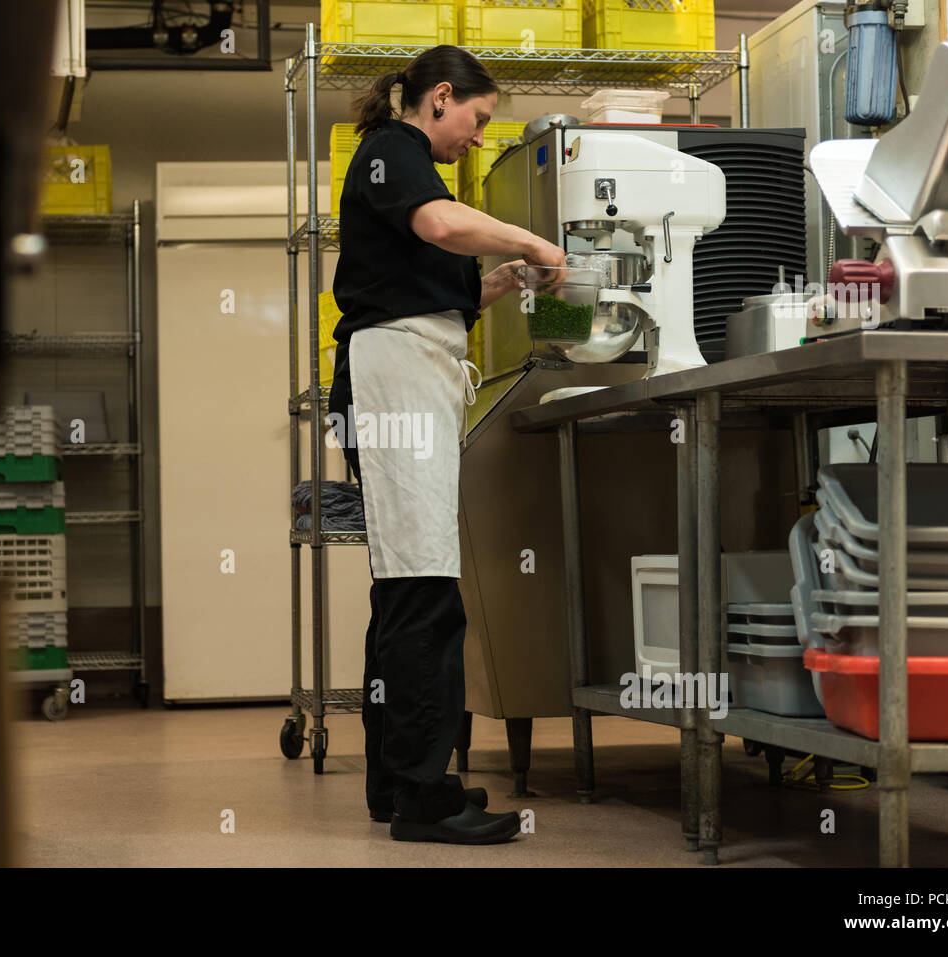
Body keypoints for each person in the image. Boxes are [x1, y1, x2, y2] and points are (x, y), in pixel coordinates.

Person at [326, 45, 567, 845]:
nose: (476, 136)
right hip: (391, 381)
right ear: (438, 97)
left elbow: (429, 277)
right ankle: (424, 794)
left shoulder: (403, 162)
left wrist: (498, 283)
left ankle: (396, 783)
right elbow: (438, 224)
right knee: (424, 587)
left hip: (406, 375)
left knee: (406, 587)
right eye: (477, 118)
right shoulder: (393, 150)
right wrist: (530, 243)